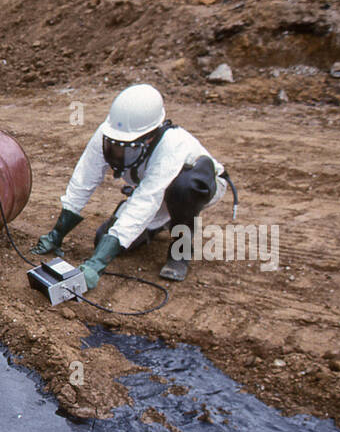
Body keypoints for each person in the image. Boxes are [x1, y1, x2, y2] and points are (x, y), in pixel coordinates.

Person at [33, 84, 231, 286]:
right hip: (156, 190)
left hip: (200, 186)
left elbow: (146, 199)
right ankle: (159, 222)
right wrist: (57, 233)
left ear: (150, 136)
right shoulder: (107, 132)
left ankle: (180, 251)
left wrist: (97, 264)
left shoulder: (173, 144)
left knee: (182, 189)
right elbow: (85, 177)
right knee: (103, 239)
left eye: (126, 145)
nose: (118, 151)